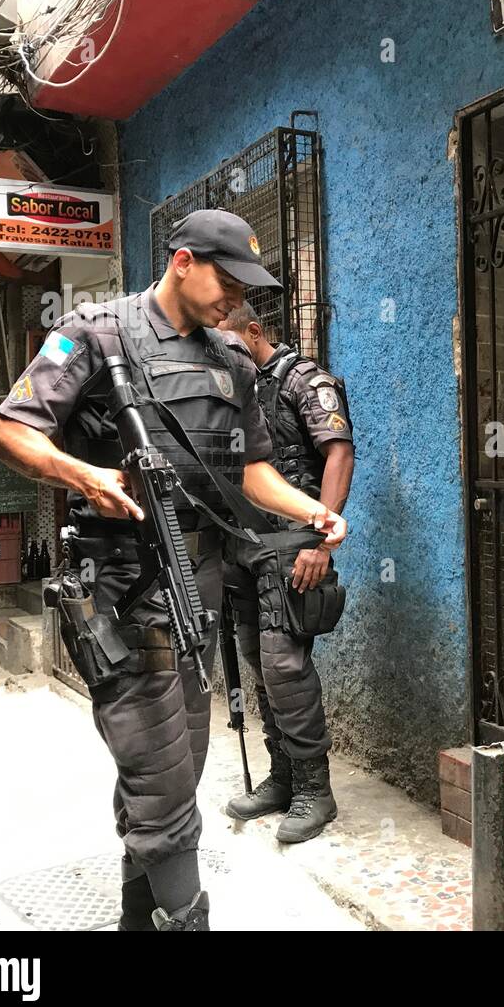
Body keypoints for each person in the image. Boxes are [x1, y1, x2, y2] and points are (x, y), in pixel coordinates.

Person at [0, 209, 348, 931]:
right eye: (227, 279)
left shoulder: (233, 360)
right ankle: (186, 919)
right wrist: (83, 476)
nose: (236, 299)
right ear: (182, 260)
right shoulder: (94, 331)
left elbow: (253, 472)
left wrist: (313, 512)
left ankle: (135, 917)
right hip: (120, 586)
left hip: (197, 585)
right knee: (163, 776)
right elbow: (7, 429)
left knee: (179, 754)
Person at [216, 304, 355, 842]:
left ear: (254, 332)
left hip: (295, 548)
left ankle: (314, 792)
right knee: (256, 660)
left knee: (285, 668)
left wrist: (322, 537)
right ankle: (281, 778)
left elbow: (339, 454)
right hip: (245, 548)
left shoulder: (306, 379)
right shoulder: (236, 390)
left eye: (229, 341)